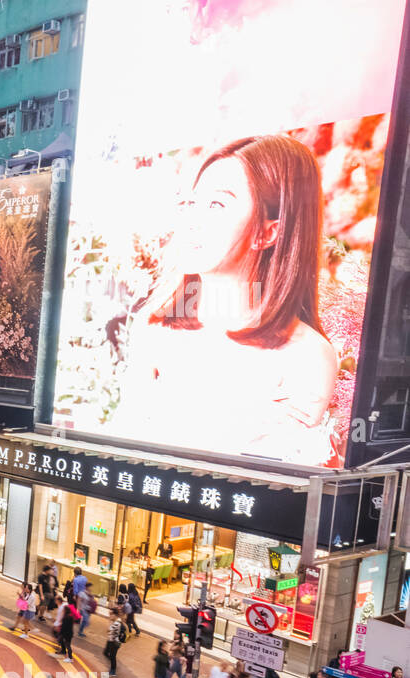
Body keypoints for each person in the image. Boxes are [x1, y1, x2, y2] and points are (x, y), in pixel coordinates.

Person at [112, 135, 338, 465]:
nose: (191, 222)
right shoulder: (156, 327)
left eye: (216, 205)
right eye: (190, 204)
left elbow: (271, 486)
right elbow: (123, 449)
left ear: (268, 232)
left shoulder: (306, 355)